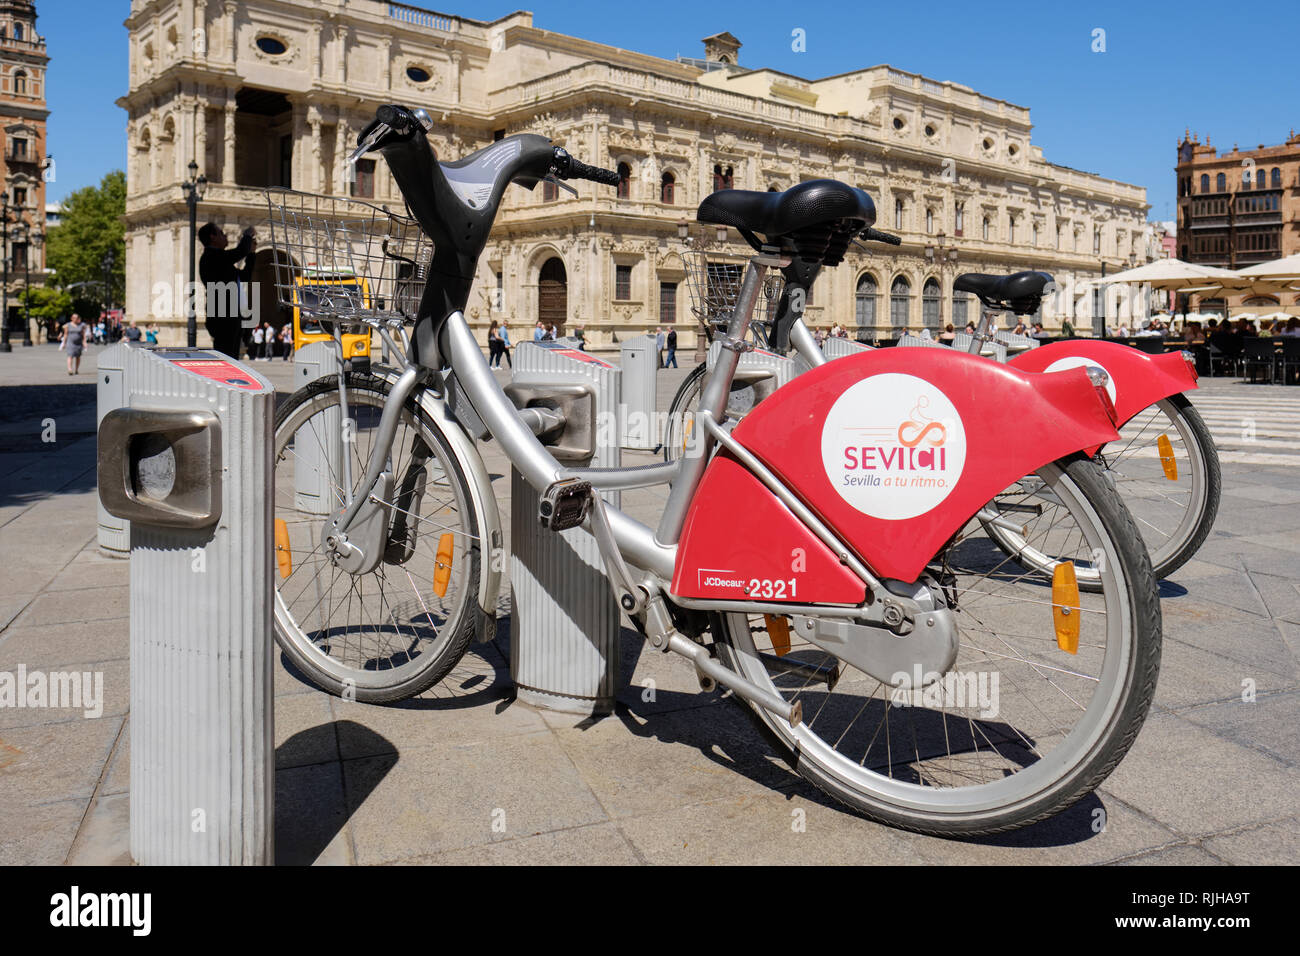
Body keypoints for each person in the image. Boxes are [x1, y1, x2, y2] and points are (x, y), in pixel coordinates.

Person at [198, 221, 257, 359]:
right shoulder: (211, 257)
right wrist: (247, 236)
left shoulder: (222, 260)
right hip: (221, 315)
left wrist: (252, 254)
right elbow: (239, 252)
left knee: (232, 357)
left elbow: (244, 276)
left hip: (230, 314)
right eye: (222, 234)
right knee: (226, 357)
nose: (225, 237)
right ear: (212, 237)